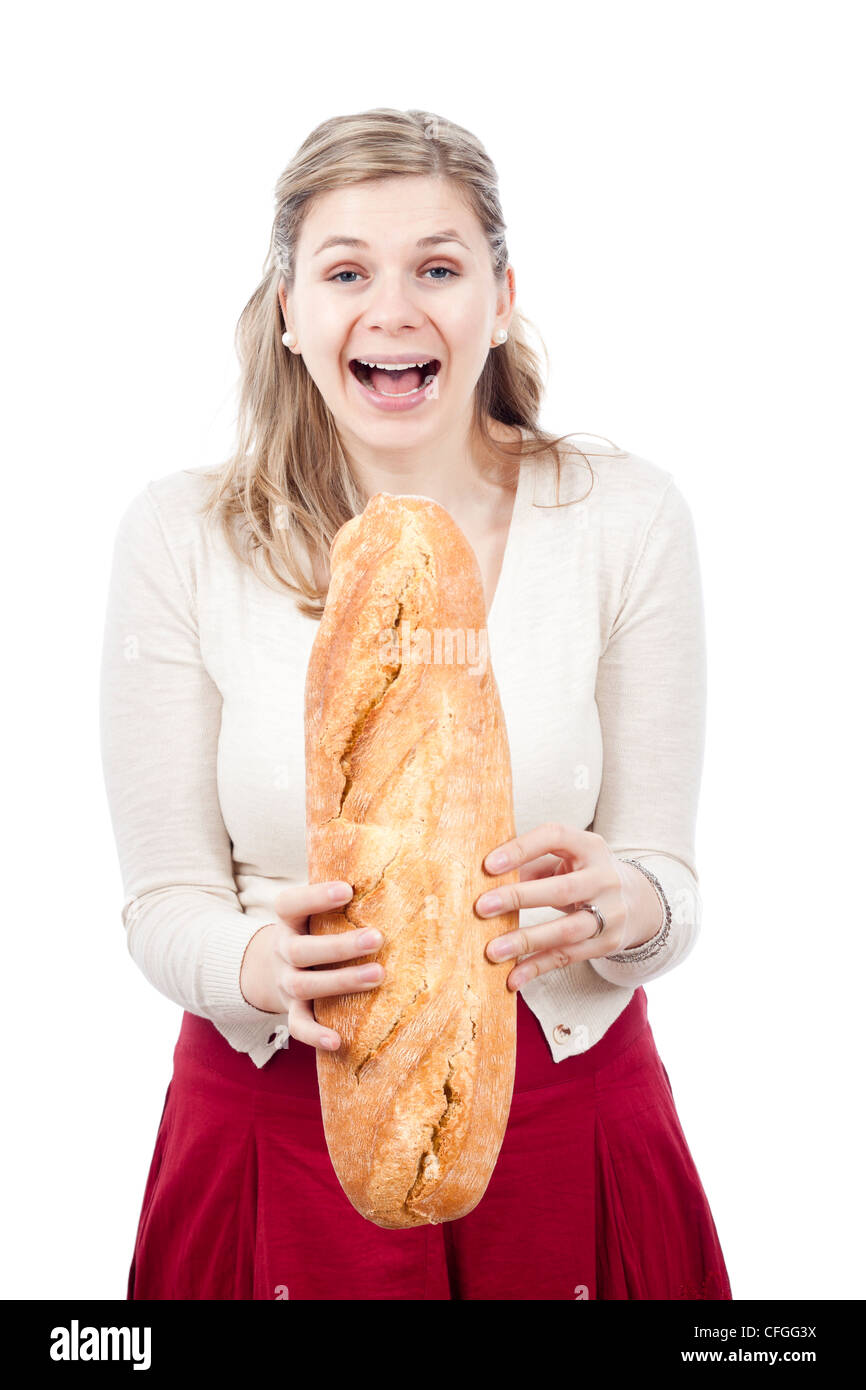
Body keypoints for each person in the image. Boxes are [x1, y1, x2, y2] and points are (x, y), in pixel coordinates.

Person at [99, 106, 732, 1301]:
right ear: (288, 309)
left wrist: (626, 905)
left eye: (437, 267)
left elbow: (668, 881)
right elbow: (161, 902)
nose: (392, 310)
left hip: (566, 1116)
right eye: (346, 271)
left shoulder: (621, 517)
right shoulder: (184, 537)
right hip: (276, 1124)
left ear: (499, 298)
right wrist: (255, 963)